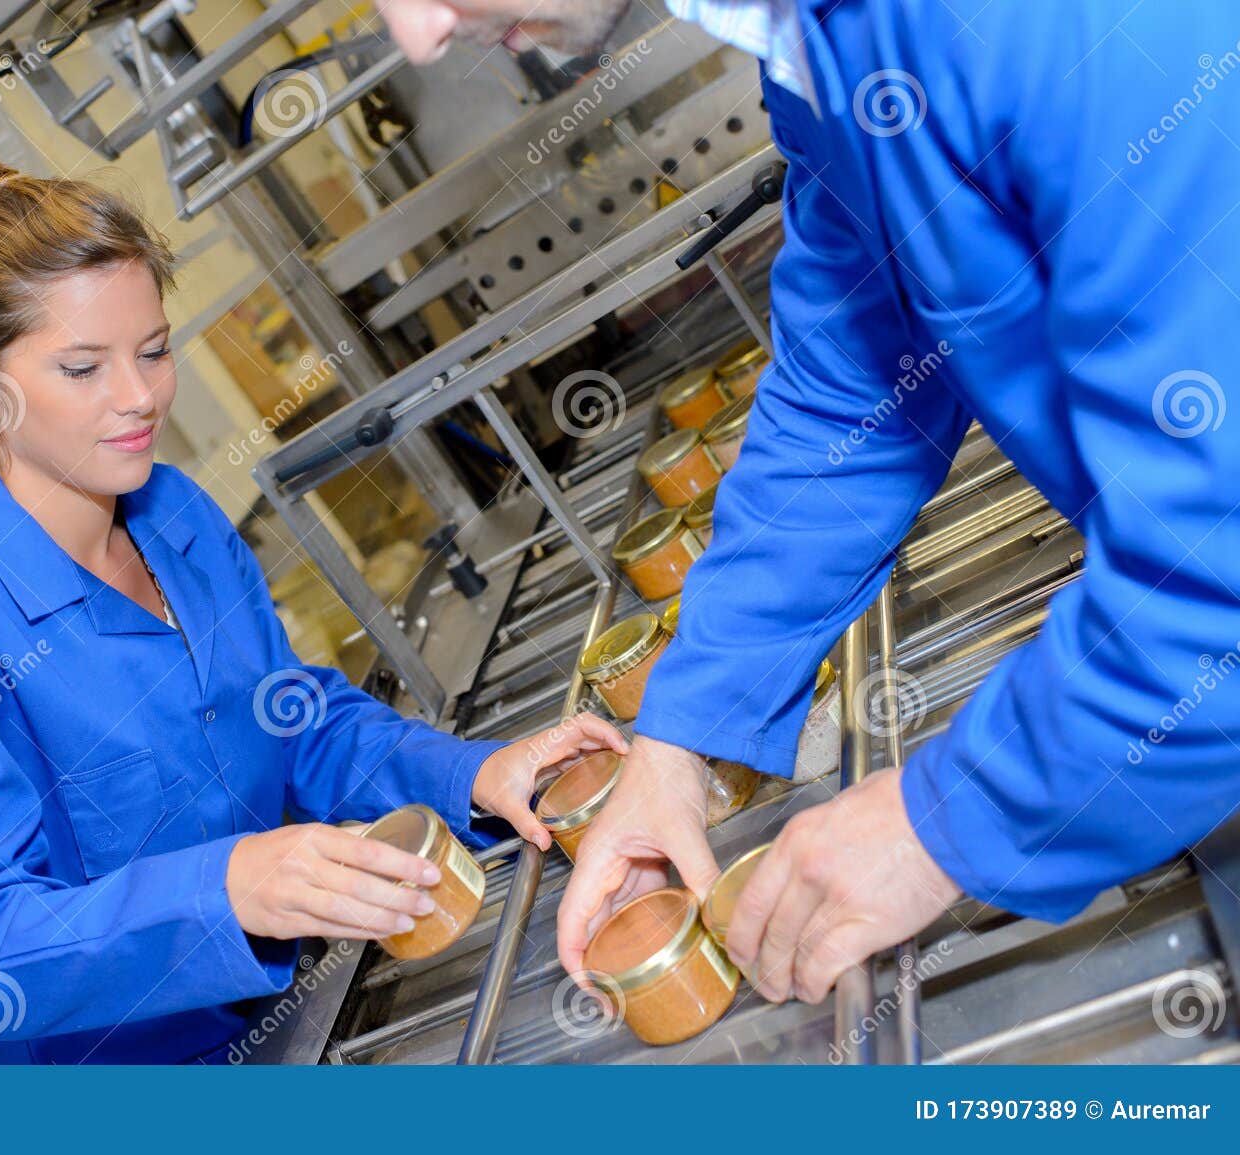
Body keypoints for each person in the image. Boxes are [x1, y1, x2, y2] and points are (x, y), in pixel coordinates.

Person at [374, 0, 1240, 1008]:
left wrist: (949, 820)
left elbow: (1216, 571)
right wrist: (683, 734)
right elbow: (854, 384)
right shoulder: (818, 55)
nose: (416, 36)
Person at [0, 147, 627, 1064]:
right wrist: (226, 888)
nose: (140, 399)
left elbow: (292, 721)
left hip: (308, 1015)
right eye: (84, 368)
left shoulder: (173, 514)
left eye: (155, 350)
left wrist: (469, 776)